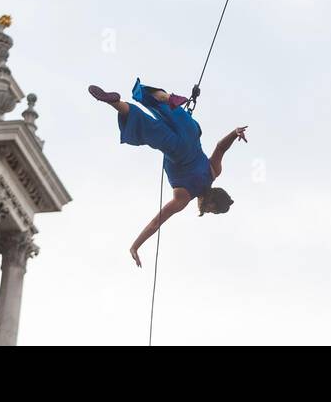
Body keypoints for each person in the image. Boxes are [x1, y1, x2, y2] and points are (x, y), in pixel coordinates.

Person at [88, 79, 247, 266]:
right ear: (211, 203)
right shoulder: (183, 197)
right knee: (144, 125)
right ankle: (114, 102)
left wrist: (234, 132)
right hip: (174, 147)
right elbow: (156, 222)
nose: (207, 210)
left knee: (161, 105)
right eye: (211, 210)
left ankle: (166, 97)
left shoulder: (214, 171)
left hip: (191, 131)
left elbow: (220, 148)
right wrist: (135, 246)